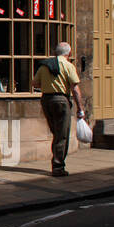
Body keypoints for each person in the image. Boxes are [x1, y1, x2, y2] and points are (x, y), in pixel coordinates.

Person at [35, 41, 85, 177]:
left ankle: (56, 161)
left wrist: (49, 84)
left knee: (56, 133)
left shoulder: (45, 66)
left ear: (55, 52)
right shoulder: (68, 66)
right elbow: (75, 88)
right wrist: (80, 108)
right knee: (62, 134)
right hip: (61, 100)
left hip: (46, 99)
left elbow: (35, 83)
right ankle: (58, 166)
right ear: (69, 53)